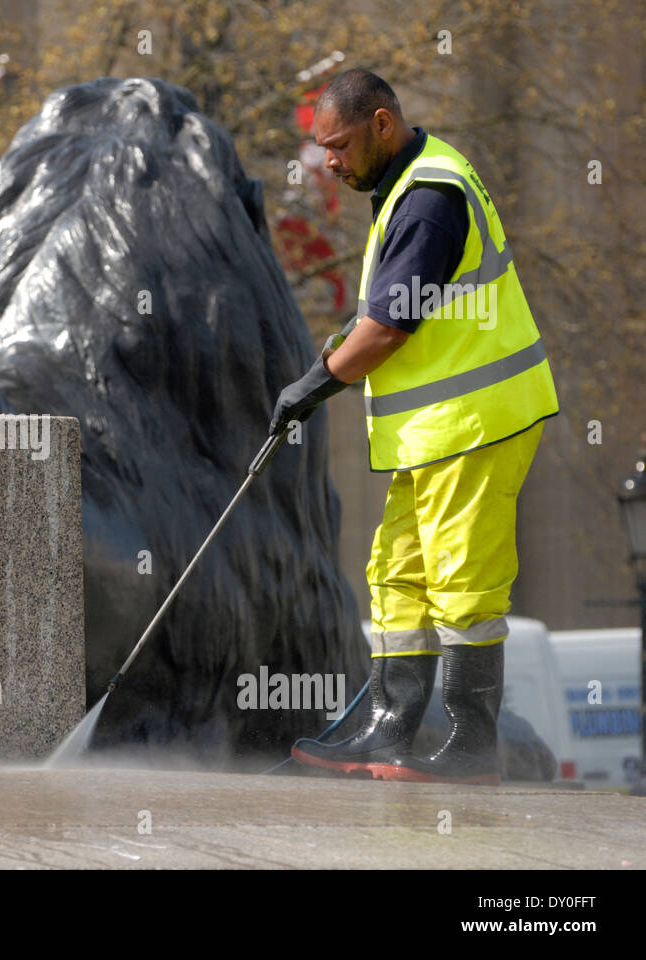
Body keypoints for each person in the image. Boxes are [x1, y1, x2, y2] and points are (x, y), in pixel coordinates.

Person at [269, 69, 559, 785]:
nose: (329, 161)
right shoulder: (406, 189)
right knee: (396, 574)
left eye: (337, 145)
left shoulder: (430, 196)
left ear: (381, 125)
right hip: (437, 431)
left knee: (463, 583)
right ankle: (388, 728)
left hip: (477, 422)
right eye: (322, 148)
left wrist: (312, 385)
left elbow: (388, 331)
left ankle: (470, 743)